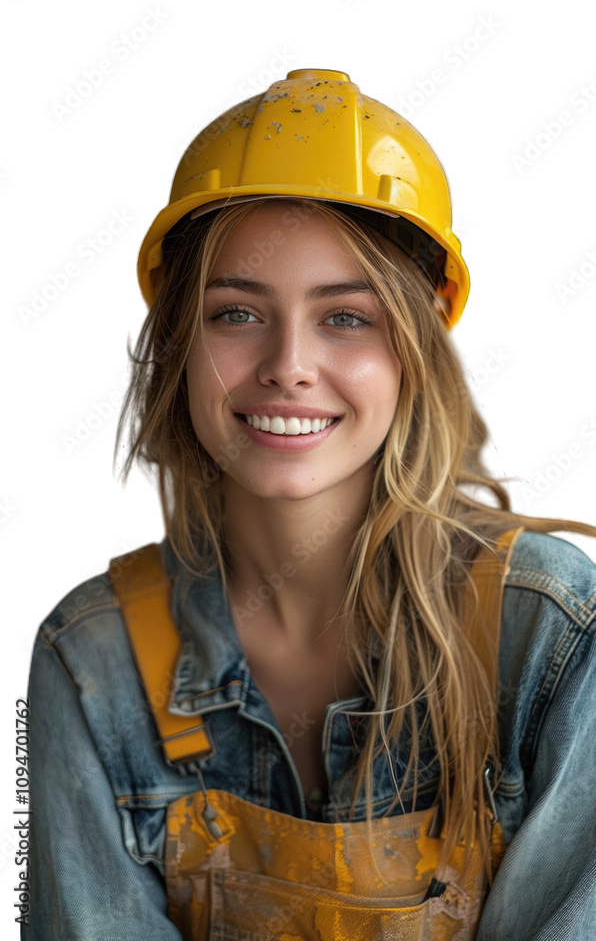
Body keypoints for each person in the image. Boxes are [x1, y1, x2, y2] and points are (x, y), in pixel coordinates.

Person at [26, 68, 596, 940]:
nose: (288, 363)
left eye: (345, 318)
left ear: (418, 348)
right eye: (236, 314)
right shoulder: (95, 659)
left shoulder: (549, 638)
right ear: (179, 346)